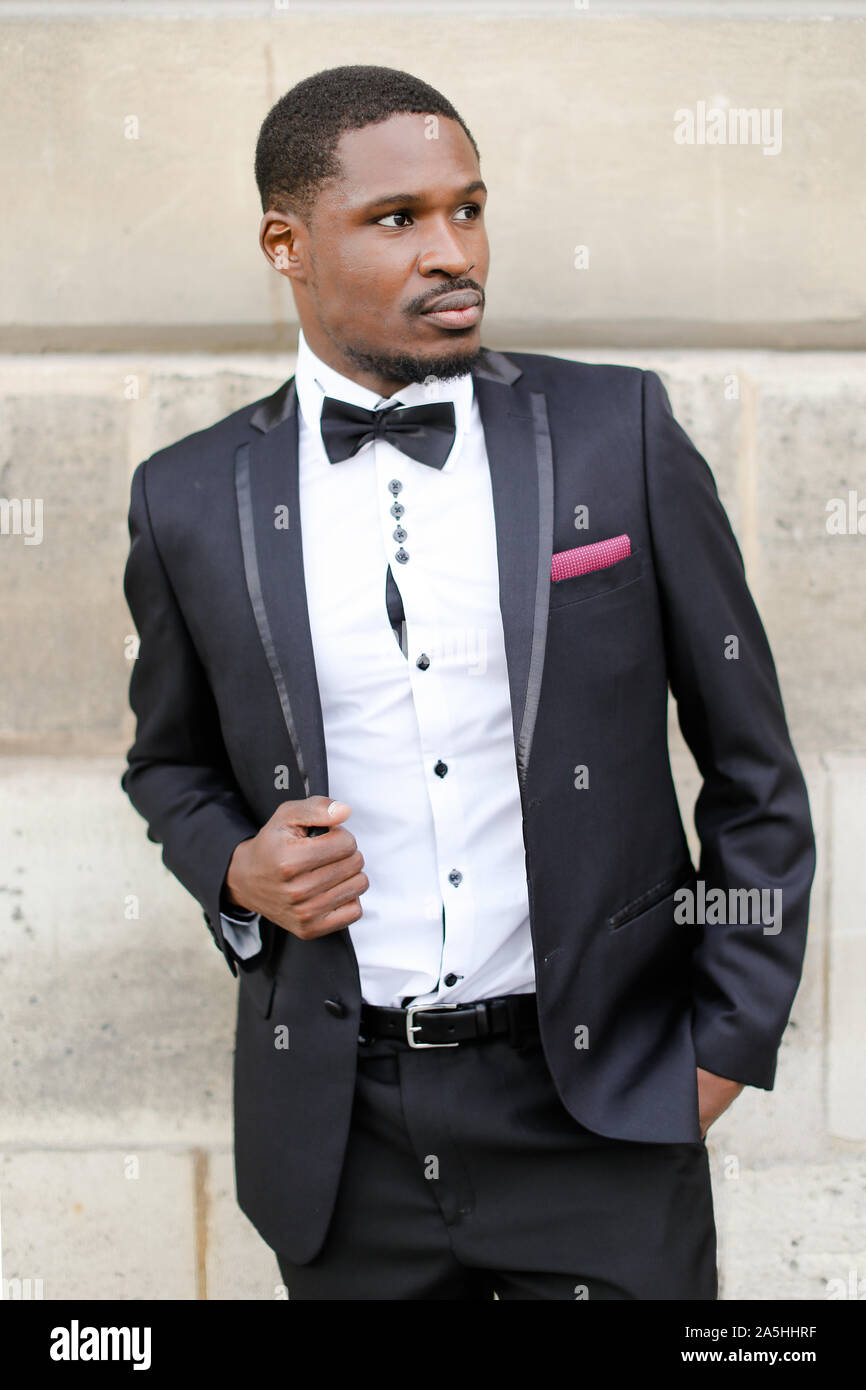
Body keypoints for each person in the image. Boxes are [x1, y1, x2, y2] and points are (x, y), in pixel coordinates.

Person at [122, 64, 816, 1300]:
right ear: (287, 242)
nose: (452, 251)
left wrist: (724, 1041)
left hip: (597, 1105)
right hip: (343, 1138)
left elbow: (752, 771)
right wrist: (234, 868)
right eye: (397, 219)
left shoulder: (617, 431)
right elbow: (166, 764)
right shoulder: (187, 496)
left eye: (469, 208)